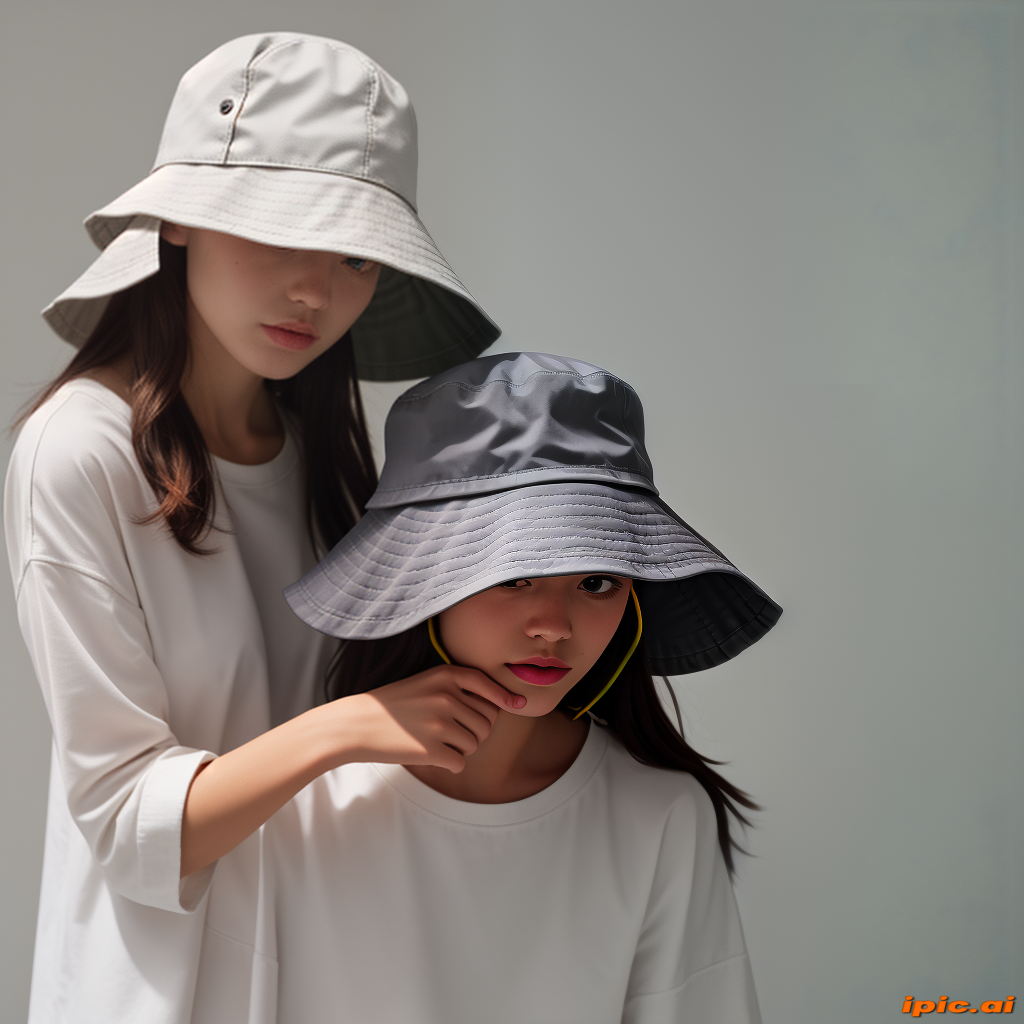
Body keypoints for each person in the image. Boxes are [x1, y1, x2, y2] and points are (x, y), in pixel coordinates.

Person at [4, 33, 507, 1024]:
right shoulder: (82, 453)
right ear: (179, 222)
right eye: (282, 231)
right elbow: (122, 816)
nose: (315, 290)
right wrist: (350, 728)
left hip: (350, 965)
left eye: (356, 255)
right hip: (163, 991)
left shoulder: (334, 463)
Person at [197, 352, 782, 1023]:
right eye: (513, 576)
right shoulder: (297, 805)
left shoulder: (661, 814)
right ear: (425, 578)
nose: (553, 627)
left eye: (598, 582)